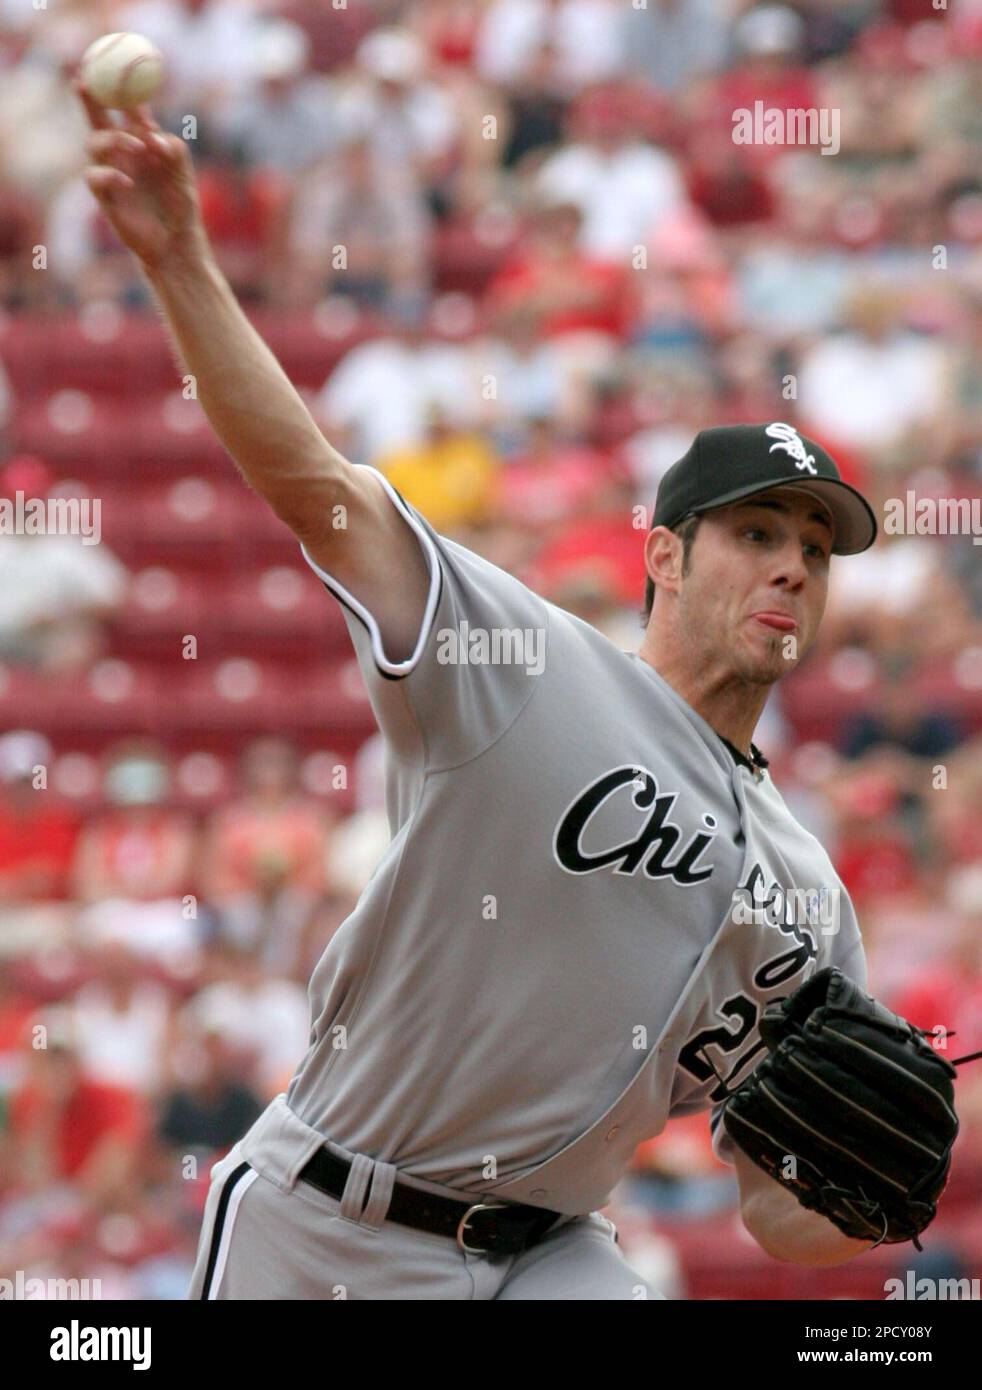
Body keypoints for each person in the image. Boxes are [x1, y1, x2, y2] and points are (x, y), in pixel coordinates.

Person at [78, 86, 883, 1300]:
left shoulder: (808, 900)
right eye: (756, 532)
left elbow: (779, 1213)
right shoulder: (527, 666)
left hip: (550, 1256)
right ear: (661, 555)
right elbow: (320, 492)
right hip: (324, 1221)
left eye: (814, 552)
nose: (789, 566)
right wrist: (183, 258)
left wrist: (872, 1189)